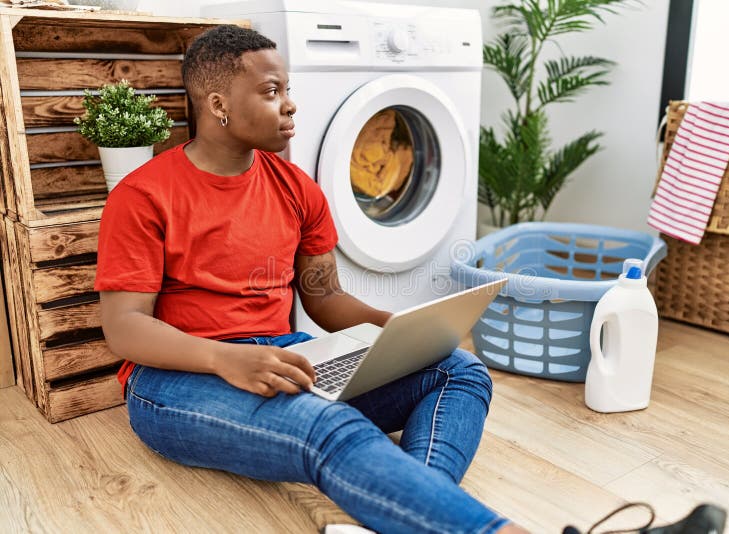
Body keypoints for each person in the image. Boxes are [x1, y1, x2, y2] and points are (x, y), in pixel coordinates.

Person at [95, 24, 527, 534]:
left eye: (288, 90)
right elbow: (123, 328)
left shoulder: (298, 189)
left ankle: (408, 512)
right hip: (176, 379)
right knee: (329, 427)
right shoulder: (143, 195)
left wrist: (398, 330)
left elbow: (324, 299)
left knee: (459, 369)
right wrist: (225, 358)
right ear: (218, 104)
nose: (290, 105)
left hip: (286, 354)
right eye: (271, 91)